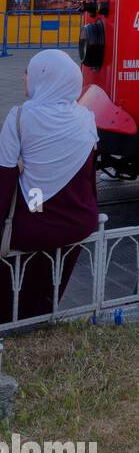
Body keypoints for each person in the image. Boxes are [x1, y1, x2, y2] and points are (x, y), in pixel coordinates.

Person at [0, 49, 99, 324]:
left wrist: (22, 170)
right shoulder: (86, 117)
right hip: (79, 223)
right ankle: (43, 315)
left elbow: (4, 180)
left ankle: (16, 320)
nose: (24, 78)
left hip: (34, 224)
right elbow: (87, 179)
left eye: (29, 73)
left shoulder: (20, 118)